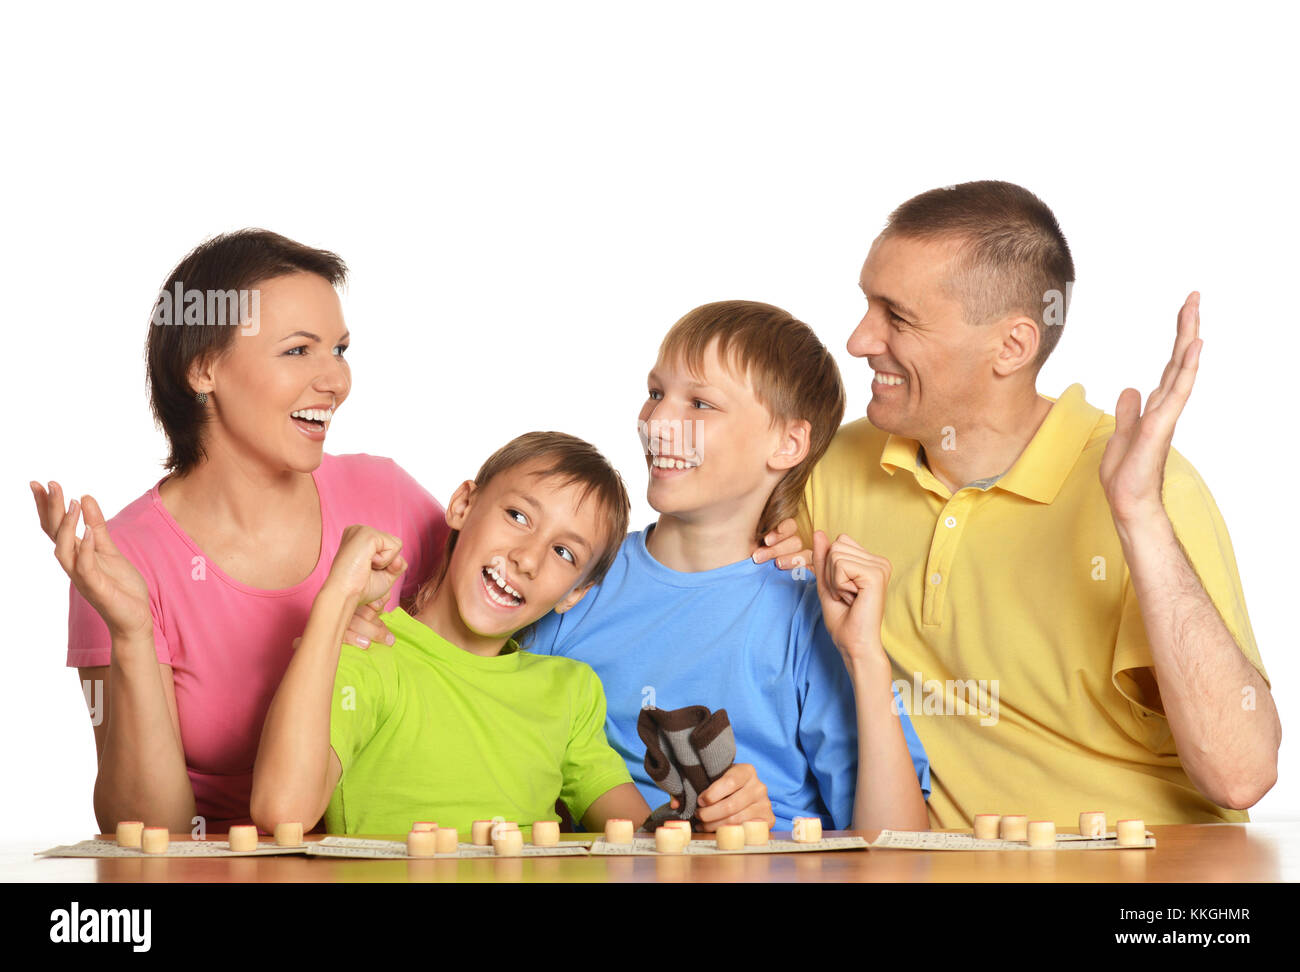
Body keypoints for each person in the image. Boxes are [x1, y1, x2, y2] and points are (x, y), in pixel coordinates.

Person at [797, 180, 1281, 828]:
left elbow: (1240, 774)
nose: (859, 340)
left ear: (1013, 346)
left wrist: (1138, 516)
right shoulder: (832, 468)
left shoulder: (1146, 487)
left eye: (897, 317)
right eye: (866, 306)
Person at [31, 229, 449, 834]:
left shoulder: (387, 498)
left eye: (340, 349)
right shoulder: (119, 562)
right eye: (299, 351)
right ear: (203, 368)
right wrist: (132, 635)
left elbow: (513, 643)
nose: (336, 380)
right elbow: (152, 831)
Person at [521, 301, 930, 833]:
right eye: (654, 393)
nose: (658, 423)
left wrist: (865, 657)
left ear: (787, 444)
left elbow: (898, 848)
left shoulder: (813, 617)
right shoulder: (575, 573)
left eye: (700, 404)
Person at [251, 433, 651, 836]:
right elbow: (283, 813)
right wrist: (336, 599)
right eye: (517, 516)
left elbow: (646, 837)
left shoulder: (571, 691)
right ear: (463, 505)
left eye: (564, 553)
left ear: (576, 593)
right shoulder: (366, 652)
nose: (527, 558)